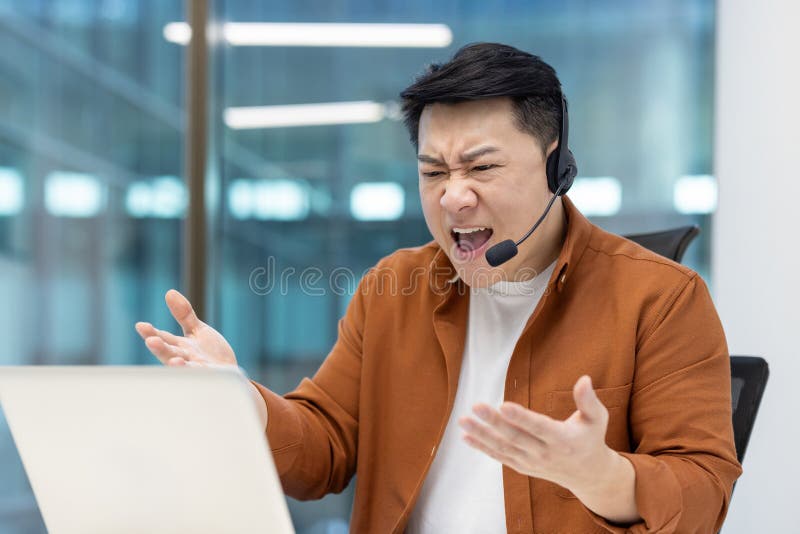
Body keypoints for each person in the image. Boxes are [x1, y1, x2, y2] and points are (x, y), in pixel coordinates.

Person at [136, 43, 741, 533]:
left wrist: (601, 474)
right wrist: (239, 399)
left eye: (481, 167)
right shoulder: (393, 287)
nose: (454, 196)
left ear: (558, 165)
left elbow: (704, 493)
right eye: (433, 172)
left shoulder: (662, 299)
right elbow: (322, 451)